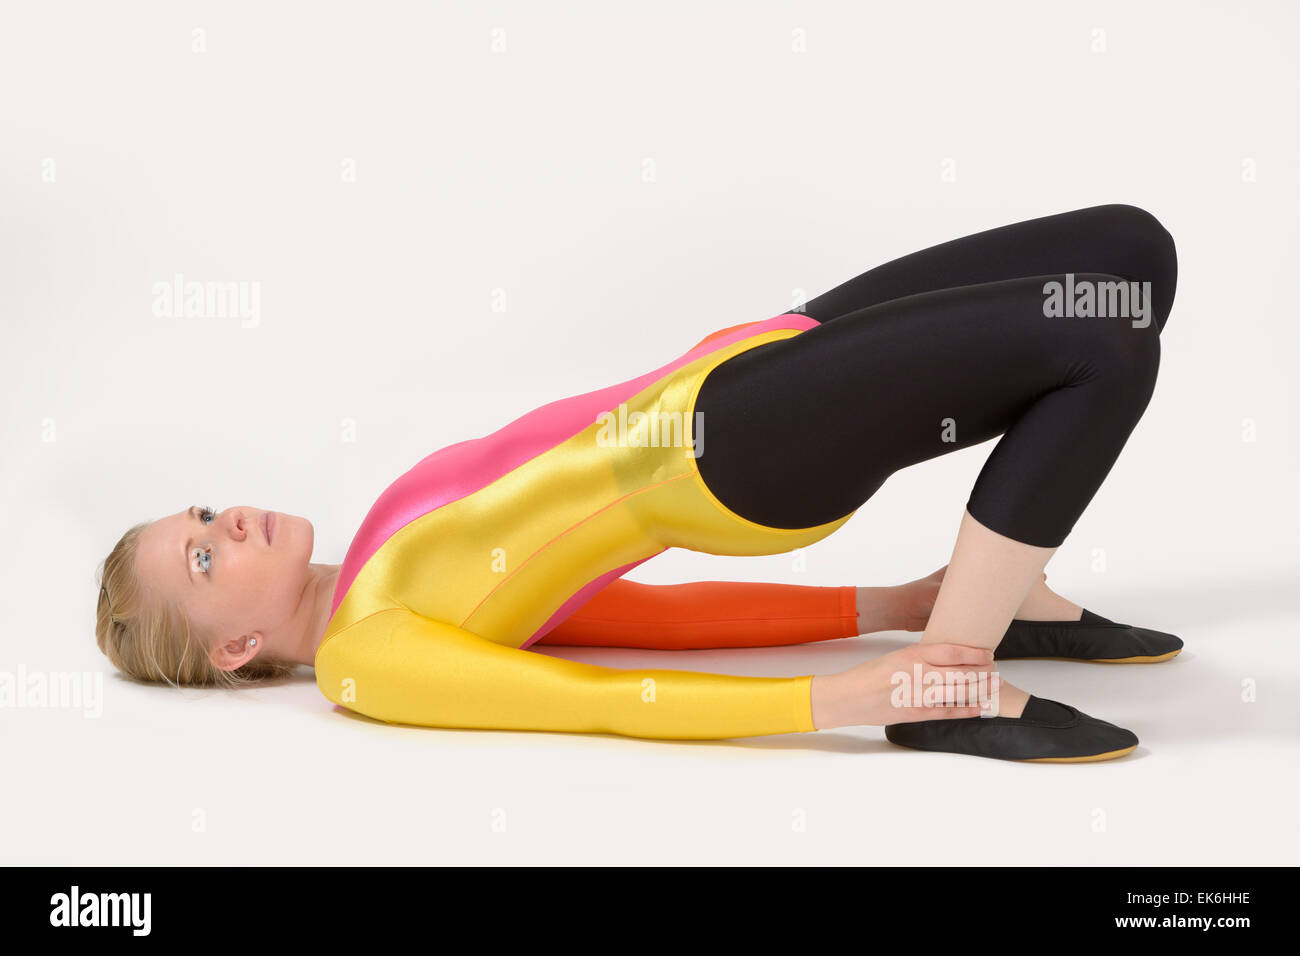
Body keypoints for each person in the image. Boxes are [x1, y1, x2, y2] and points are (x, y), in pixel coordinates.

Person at [95, 204, 1180, 762]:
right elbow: (605, 700)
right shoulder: (362, 658)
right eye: (204, 555)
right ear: (232, 649)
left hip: (743, 359)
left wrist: (884, 605)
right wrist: (860, 692)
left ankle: (993, 592)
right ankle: (956, 673)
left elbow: (649, 620)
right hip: (734, 450)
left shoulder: (383, 533)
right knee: (1108, 337)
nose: (225, 519)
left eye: (202, 512)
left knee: (1130, 255)